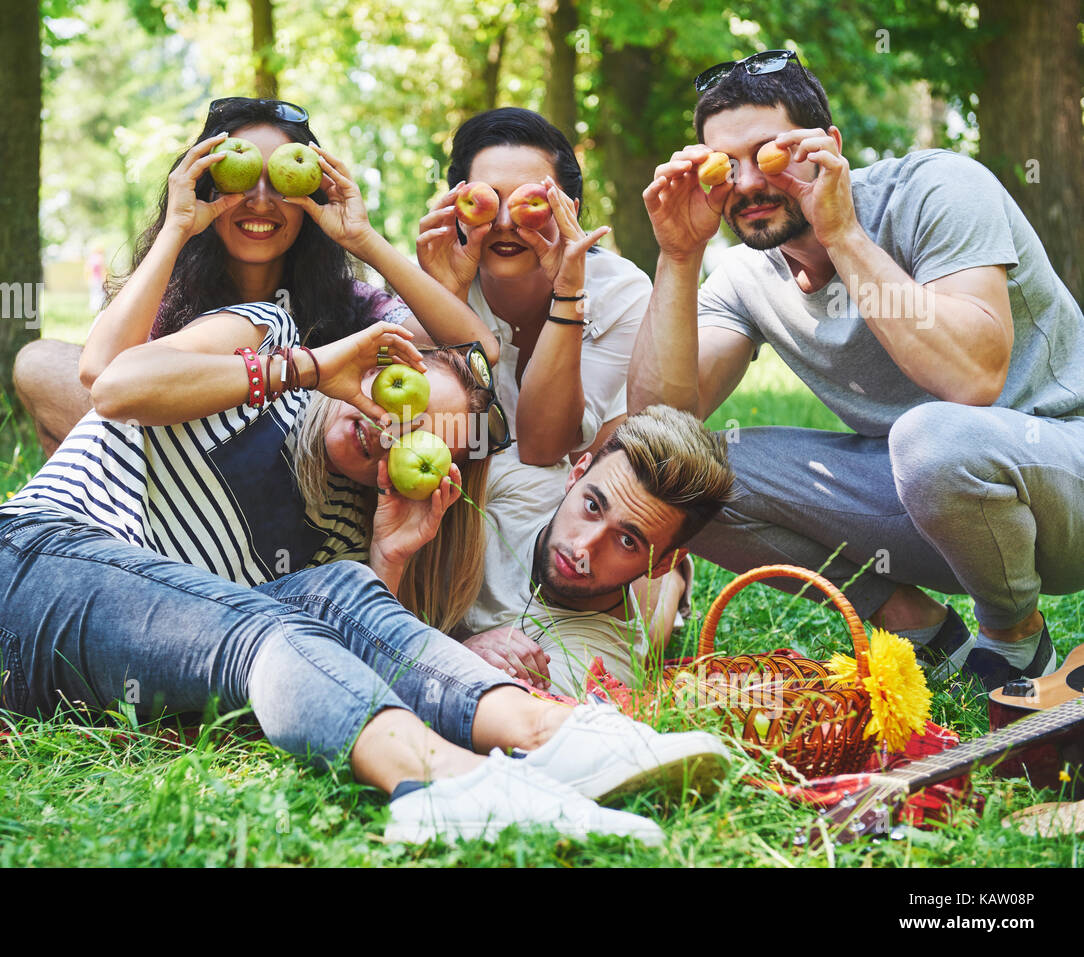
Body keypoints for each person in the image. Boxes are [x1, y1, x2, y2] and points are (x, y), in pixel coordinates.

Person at [0, 307, 731, 845]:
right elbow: (113, 385)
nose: (392, 433)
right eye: (395, 396)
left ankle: (550, 732)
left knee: (331, 597)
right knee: (267, 634)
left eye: (423, 435)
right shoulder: (265, 339)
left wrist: (385, 556)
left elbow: (287, 642)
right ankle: (442, 784)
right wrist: (309, 365)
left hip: (87, 656)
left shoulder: (340, 515)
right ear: (372, 363)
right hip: (30, 564)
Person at [0, 96, 497, 614]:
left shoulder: (350, 307)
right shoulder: (182, 290)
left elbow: (479, 353)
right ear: (207, 183)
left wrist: (362, 238)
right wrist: (178, 228)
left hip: (275, 500)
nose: (261, 199)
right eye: (237, 178)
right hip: (159, 449)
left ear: (310, 193)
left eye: (281, 179)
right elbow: (102, 378)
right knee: (35, 371)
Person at [630, 49, 1084, 691]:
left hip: (1064, 480)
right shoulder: (743, 276)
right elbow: (659, 423)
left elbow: (973, 381)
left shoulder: (937, 188)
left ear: (827, 145)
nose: (748, 183)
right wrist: (678, 255)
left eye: (768, 154)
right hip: (936, 503)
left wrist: (843, 235)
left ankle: (1013, 641)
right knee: (673, 475)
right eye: (724, 165)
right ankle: (926, 633)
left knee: (935, 437)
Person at [417, 107, 694, 662]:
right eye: (487, 200)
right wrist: (438, 294)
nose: (504, 223)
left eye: (530, 202)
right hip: (458, 501)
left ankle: (653, 602)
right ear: (456, 206)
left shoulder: (615, 292)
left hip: (573, 510)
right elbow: (413, 427)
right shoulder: (432, 272)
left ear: (568, 210)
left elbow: (546, 447)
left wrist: (568, 292)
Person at [460, 406, 735, 697]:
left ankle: (673, 583)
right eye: (592, 506)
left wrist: (461, 652)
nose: (582, 549)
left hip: (613, 626)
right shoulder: (524, 483)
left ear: (662, 562)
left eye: (628, 541)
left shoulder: (598, 667)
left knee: (652, 639)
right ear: (576, 475)